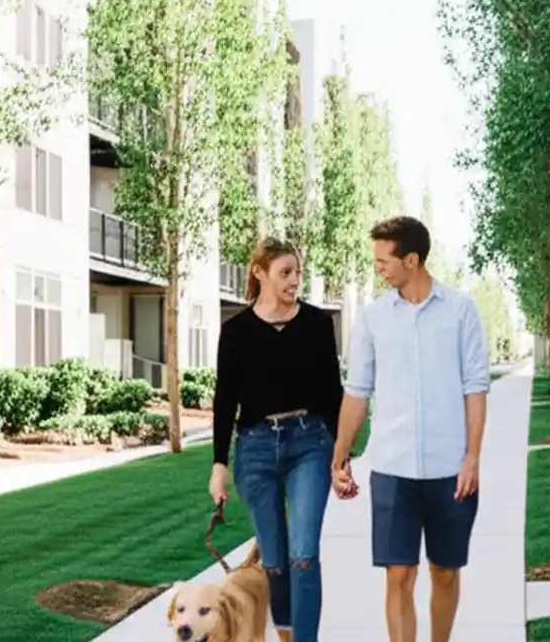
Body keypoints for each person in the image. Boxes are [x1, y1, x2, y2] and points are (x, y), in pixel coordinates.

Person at [330, 216, 490, 642]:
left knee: (445, 572)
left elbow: (475, 388)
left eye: (384, 261)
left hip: (450, 470)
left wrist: (472, 458)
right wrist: (340, 456)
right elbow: (357, 392)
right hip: (392, 469)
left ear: (412, 260)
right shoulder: (373, 318)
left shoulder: (460, 311)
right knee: (398, 575)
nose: (378, 268)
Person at [208, 237, 342, 642]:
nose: (294, 280)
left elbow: (332, 395)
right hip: (256, 449)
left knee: (304, 555)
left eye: (297, 272)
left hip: (310, 445)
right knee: (275, 560)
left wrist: (341, 456)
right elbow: (224, 401)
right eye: (285, 272)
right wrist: (219, 466)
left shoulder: (318, 324)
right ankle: (285, 633)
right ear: (259, 273)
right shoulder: (236, 332)